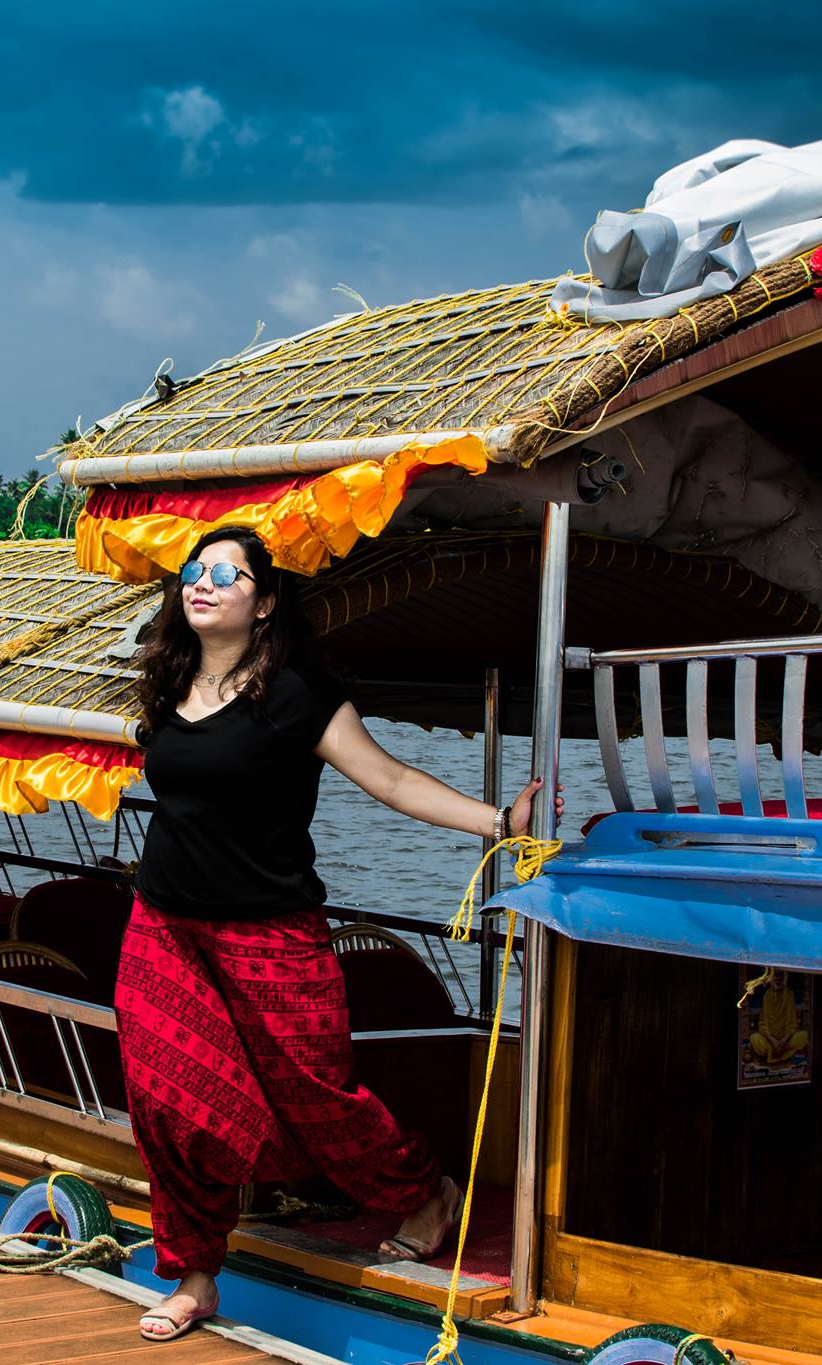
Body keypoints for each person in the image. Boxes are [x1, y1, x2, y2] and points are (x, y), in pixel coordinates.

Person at [119, 525, 551, 1343]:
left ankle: (423, 1191)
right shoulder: (165, 676)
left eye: (227, 573)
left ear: (267, 601)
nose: (203, 582)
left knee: (317, 1095)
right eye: (194, 570)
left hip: (270, 930)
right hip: (164, 923)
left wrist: (497, 821)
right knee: (169, 1099)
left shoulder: (295, 693)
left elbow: (388, 777)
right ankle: (195, 1274)